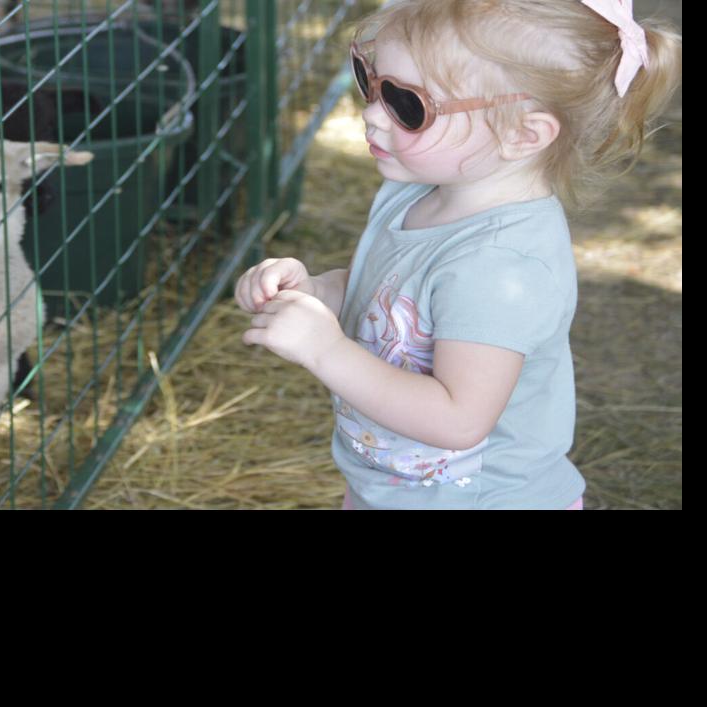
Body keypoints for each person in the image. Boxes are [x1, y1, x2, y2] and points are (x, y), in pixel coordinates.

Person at [236, 0, 680, 509]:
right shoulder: (416, 193)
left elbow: (458, 419)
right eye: (370, 78)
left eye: (408, 105)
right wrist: (317, 292)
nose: (369, 113)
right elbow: (387, 296)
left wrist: (324, 350)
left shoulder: (499, 270)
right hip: (393, 489)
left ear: (522, 134)